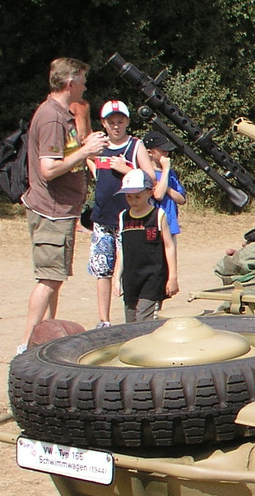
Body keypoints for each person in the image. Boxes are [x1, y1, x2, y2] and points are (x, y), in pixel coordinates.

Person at [19, 57, 109, 353]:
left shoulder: (64, 114)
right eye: (83, 81)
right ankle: (27, 345)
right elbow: (48, 169)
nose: (85, 86)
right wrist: (85, 152)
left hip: (61, 211)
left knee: (55, 278)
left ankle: (45, 337)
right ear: (70, 82)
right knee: (47, 279)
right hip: (50, 211)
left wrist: (88, 145)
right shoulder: (51, 117)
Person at [86, 100, 156, 328]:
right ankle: (103, 320)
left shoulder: (135, 145)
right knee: (102, 270)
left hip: (129, 218)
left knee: (131, 268)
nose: (116, 126)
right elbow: (85, 155)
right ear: (104, 124)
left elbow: (151, 178)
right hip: (102, 217)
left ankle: (135, 318)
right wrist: (95, 169)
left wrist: (126, 169)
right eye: (111, 122)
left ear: (127, 121)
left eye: (120, 121)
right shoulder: (98, 145)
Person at [114, 169, 178, 323]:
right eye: (129, 197)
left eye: (137, 196)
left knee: (145, 321)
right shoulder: (123, 216)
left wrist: (173, 277)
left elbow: (169, 246)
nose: (133, 201)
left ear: (149, 193)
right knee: (131, 323)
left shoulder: (158, 215)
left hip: (153, 278)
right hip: (131, 279)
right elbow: (122, 249)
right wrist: (117, 278)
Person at [143, 130, 185, 238]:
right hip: (153, 224)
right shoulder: (146, 173)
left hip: (170, 225)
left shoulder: (171, 173)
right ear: (149, 152)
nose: (166, 153)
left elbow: (181, 199)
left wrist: (166, 187)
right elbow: (158, 195)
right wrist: (165, 170)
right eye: (162, 150)